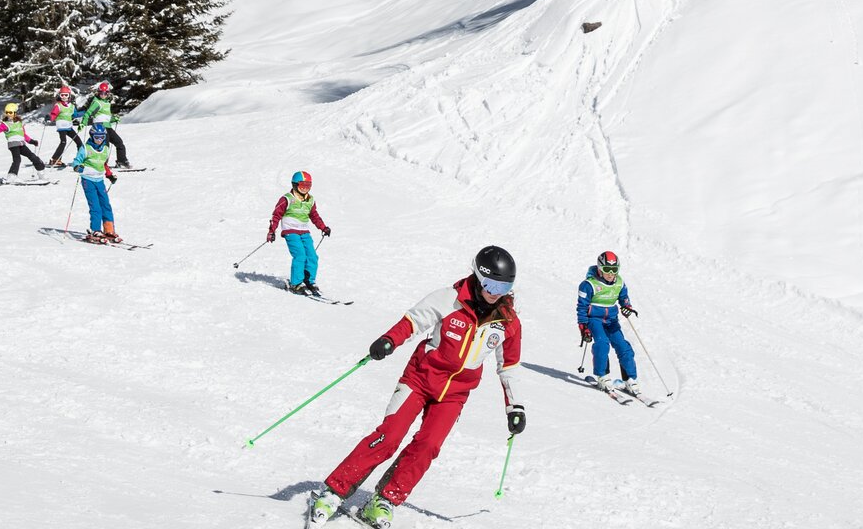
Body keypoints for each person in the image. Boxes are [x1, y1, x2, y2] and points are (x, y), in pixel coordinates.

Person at [307, 246, 526, 527]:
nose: (497, 293)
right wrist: (389, 340)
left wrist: (515, 407)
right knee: (389, 437)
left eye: (504, 287)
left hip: (454, 394)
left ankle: (384, 500)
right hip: (420, 380)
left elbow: (509, 367)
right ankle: (334, 491)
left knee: (428, 446)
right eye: (492, 285)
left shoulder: (508, 321)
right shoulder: (449, 299)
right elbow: (413, 321)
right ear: (479, 278)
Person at [577, 250, 643, 398]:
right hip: (594, 319)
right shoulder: (588, 285)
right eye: (607, 269)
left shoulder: (619, 282)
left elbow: (624, 298)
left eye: (614, 269)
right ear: (600, 268)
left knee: (624, 347)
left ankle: (630, 380)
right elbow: (581, 307)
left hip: (612, 320)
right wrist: (583, 326)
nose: (611, 273)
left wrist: (627, 307)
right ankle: (603, 376)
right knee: (602, 344)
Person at [267, 170, 331, 295]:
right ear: (295, 185)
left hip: (304, 232)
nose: (305, 188)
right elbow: (276, 215)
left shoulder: (310, 200)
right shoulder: (287, 199)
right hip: (290, 231)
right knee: (300, 255)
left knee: (312, 256)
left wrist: (323, 227)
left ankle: (309, 280)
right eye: (303, 185)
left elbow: (314, 216)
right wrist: (271, 231)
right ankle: (295, 283)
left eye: (308, 185)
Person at [72, 122, 121, 243]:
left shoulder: (105, 149)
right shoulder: (86, 148)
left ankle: (109, 229)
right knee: (95, 206)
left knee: (106, 205)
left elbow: (104, 164)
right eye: (97, 137)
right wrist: (78, 167)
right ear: (92, 135)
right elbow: (76, 162)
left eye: (102, 137)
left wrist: (109, 175)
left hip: (100, 180)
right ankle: (96, 230)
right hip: (88, 180)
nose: (99, 140)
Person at [0, 103, 46, 176]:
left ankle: (41, 172)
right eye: (7, 112)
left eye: (10, 112)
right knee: (17, 159)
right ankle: (11, 176)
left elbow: (23, 134)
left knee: (32, 156)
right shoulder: (5, 124)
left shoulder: (19, 123)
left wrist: (32, 141)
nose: (8, 114)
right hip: (13, 144)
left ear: (15, 113)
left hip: (21, 144)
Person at [80, 81, 129, 168]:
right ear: (98, 93)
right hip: (99, 127)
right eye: (101, 93)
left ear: (108, 93)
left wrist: (114, 119)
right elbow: (88, 113)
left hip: (107, 127)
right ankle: (102, 164)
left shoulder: (107, 103)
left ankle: (121, 161)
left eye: (105, 93)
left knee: (119, 142)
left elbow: (106, 118)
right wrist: (83, 123)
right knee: (105, 146)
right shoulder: (97, 102)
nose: (103, 95)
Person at [47, 86, 83, 167]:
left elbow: (75, 115)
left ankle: (80, 159)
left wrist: (85, 112)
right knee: (63, 142)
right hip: (61, 127)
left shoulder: (71, 106)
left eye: (66, 95)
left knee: (79, 142)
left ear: (69, 95)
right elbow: (53, 114)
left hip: (69, 127)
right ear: (59, 95)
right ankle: (55, 159)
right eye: (62, 95)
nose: (64, 97)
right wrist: (49, 118)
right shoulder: (58, 105)